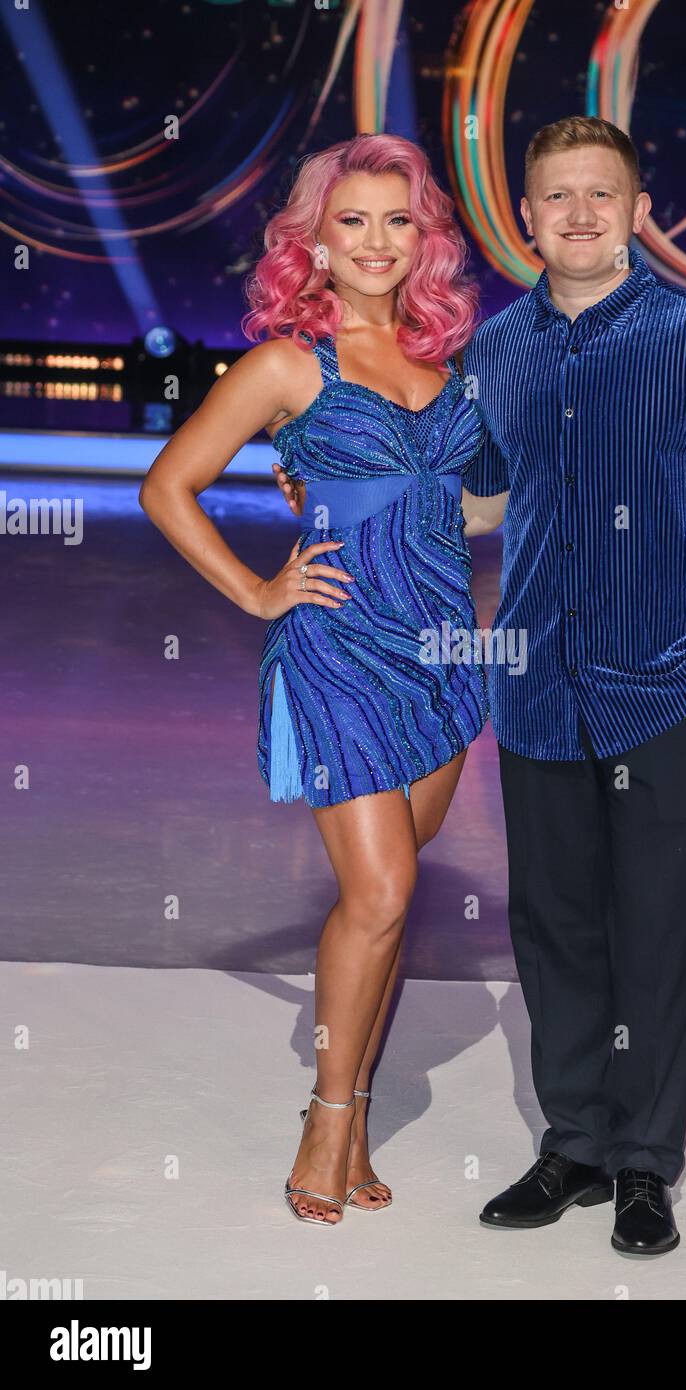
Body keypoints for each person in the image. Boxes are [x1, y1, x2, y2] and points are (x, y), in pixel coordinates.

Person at [280, 115, 686, 1255]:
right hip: (532, 691)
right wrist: (323, 481)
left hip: (664, 687)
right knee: (554, 928)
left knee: (654, 931)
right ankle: (572, 1140)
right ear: (525, 218)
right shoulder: (499, 351)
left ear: (638, 212)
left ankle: (645, 1164)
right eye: (555, 197)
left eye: (599, 196)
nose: (576, 215)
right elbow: (464, 497)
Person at [139, 133, 505, 1227]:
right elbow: (169, 487)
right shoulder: (291, 364)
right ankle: (330, 1115)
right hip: (337, 648)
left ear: (425, 238)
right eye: (353, 220)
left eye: (398, 219)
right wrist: (259, 592)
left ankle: (354, 1107)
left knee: (386, 906)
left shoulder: (452, 372)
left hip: (442, 660)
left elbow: (471, 507)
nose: (378, 241)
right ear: (315, 240)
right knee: (383, 891)